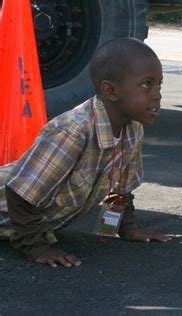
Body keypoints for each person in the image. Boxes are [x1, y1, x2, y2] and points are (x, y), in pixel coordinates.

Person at [0, 38, 171, 267]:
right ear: (110, 91)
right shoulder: (73, 132)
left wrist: (127, 228)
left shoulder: (132, 129)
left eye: (159, 85)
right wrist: (35, 247)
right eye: (146, 85)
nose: (157, 95)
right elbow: (19, 192)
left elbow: (120, 187)